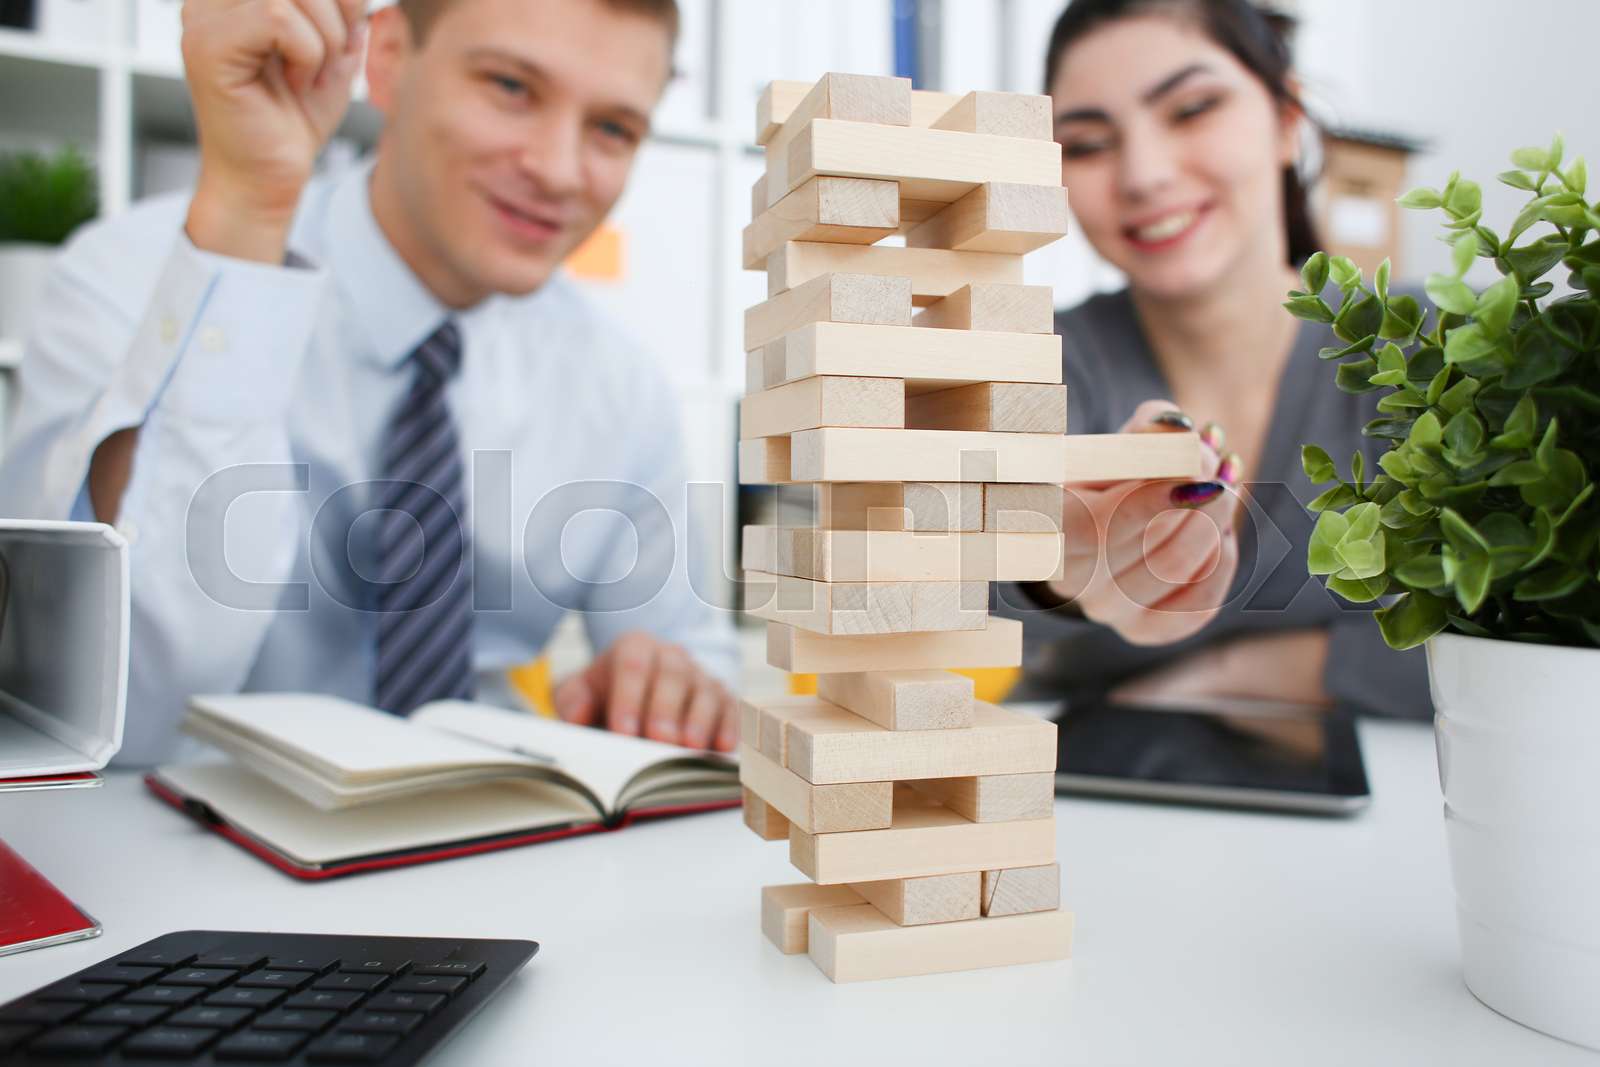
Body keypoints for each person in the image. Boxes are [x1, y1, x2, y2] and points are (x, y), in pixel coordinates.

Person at [0, 0, 745, 764]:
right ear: (385, 56)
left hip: (493, 835)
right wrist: (247, 214)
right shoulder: (130, 279)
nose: (558, 171)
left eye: (613, 129)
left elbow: (690, 656)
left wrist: (672, 686)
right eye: (511, 87)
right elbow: (102, 713)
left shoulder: (621, 385)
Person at [1000, 0, 1431, 717]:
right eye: (1085, 144)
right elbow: (930, 592)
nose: (1143, 174)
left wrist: (1246, 672)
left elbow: (1549, 641)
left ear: (1289, 121)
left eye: (1192, 108)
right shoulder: (1029, 363)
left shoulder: (1434, 354)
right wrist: (1055, 572)